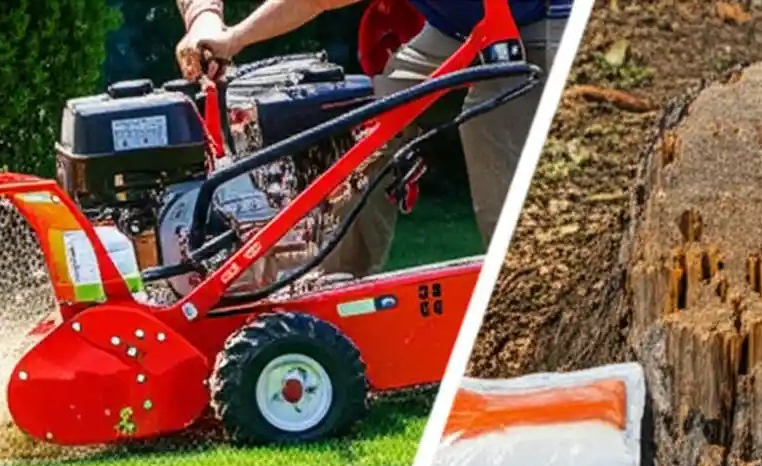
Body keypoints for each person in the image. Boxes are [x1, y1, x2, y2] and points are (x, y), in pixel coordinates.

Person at [174, 0, 570, 277]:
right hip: (458, 26)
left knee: (491, 125)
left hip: (544, 20)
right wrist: (216, 29)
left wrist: (236, 38)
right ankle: (339, 285)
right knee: (368, 128)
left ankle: (520, 283)